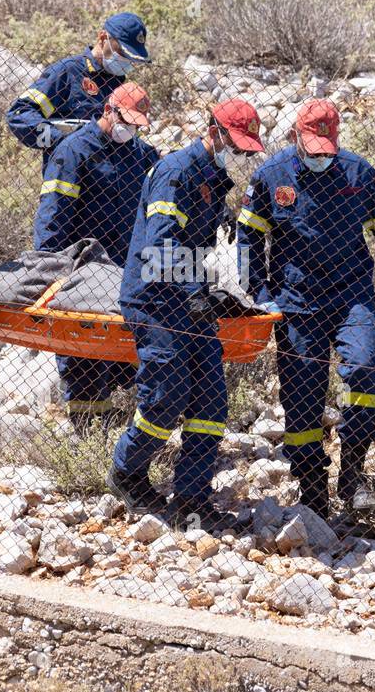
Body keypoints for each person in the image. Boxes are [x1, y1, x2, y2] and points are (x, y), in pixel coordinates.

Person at [236, 99, 375, 519]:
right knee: (302, 399)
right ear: (295, 138)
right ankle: (312, 488)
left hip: (350, 296)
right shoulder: (272, 175)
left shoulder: (359, 175)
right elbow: (249, 235)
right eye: (311, 148)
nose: (319, 156)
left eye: (326, 149)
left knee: (365, 369)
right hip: (296, 302)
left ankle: (354, 475)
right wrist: (258, 290)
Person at [111, 100, 265, 528]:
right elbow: (161, 245)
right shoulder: (178, 173)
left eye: (249, 152)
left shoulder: (213, 178)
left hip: (188, 298)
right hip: (155, 299)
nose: (244, 157)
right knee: (166, 394)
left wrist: (220, 289)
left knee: (211, 404)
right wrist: (199, 291)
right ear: (213, 132)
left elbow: (197, 247)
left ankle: (192, 498)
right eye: (238, 147)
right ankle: (126, 471)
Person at [33, 84, 159, 431]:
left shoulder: (142, 157)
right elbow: (53, 216)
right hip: (83, 270)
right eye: (125, 121)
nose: (129, 130)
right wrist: (51, 271)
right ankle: (87, 434)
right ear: (108, 110)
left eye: (137, 125)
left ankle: (109, 425)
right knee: (83, 356)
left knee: (123, 357)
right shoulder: (74, 151)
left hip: (125, 271)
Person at [6, 13, 150, 165]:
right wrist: (64, 141)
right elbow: (20, 114)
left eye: (131, 58)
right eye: (122, 53)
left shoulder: (120, 85)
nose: (126, 62)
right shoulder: (68, 72)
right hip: (69, 174)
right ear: (103, 39)